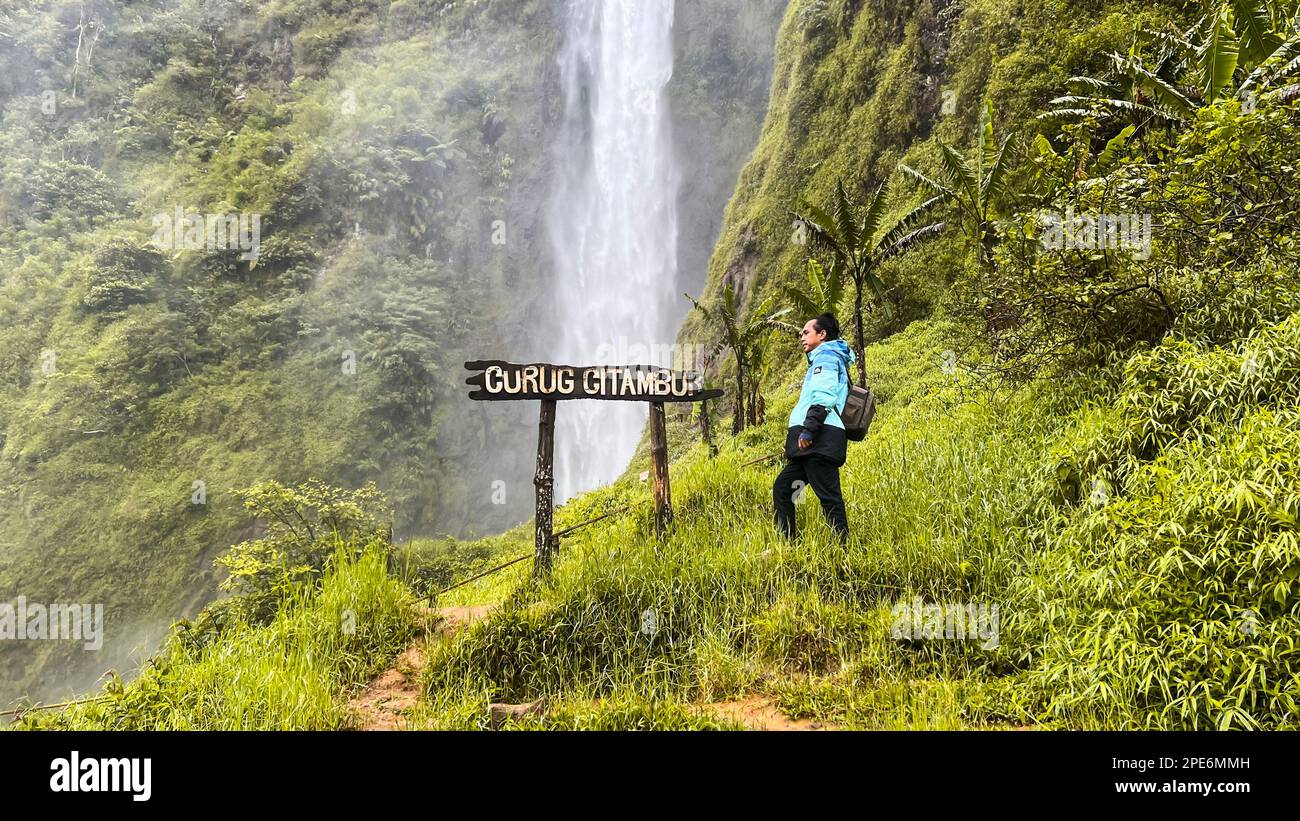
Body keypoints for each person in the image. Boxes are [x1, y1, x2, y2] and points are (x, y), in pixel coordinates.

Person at [773, 312, 855, 544]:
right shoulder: (825, 357)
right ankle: (788, 545)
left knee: (829, 497)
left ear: (822, 334)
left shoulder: (827, 356)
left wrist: (809, 430)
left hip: (819, 437)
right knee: (783, 489)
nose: (802, 336)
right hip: (812, 441)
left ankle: (843, 547)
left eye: (806, 332)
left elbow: (824, 394)